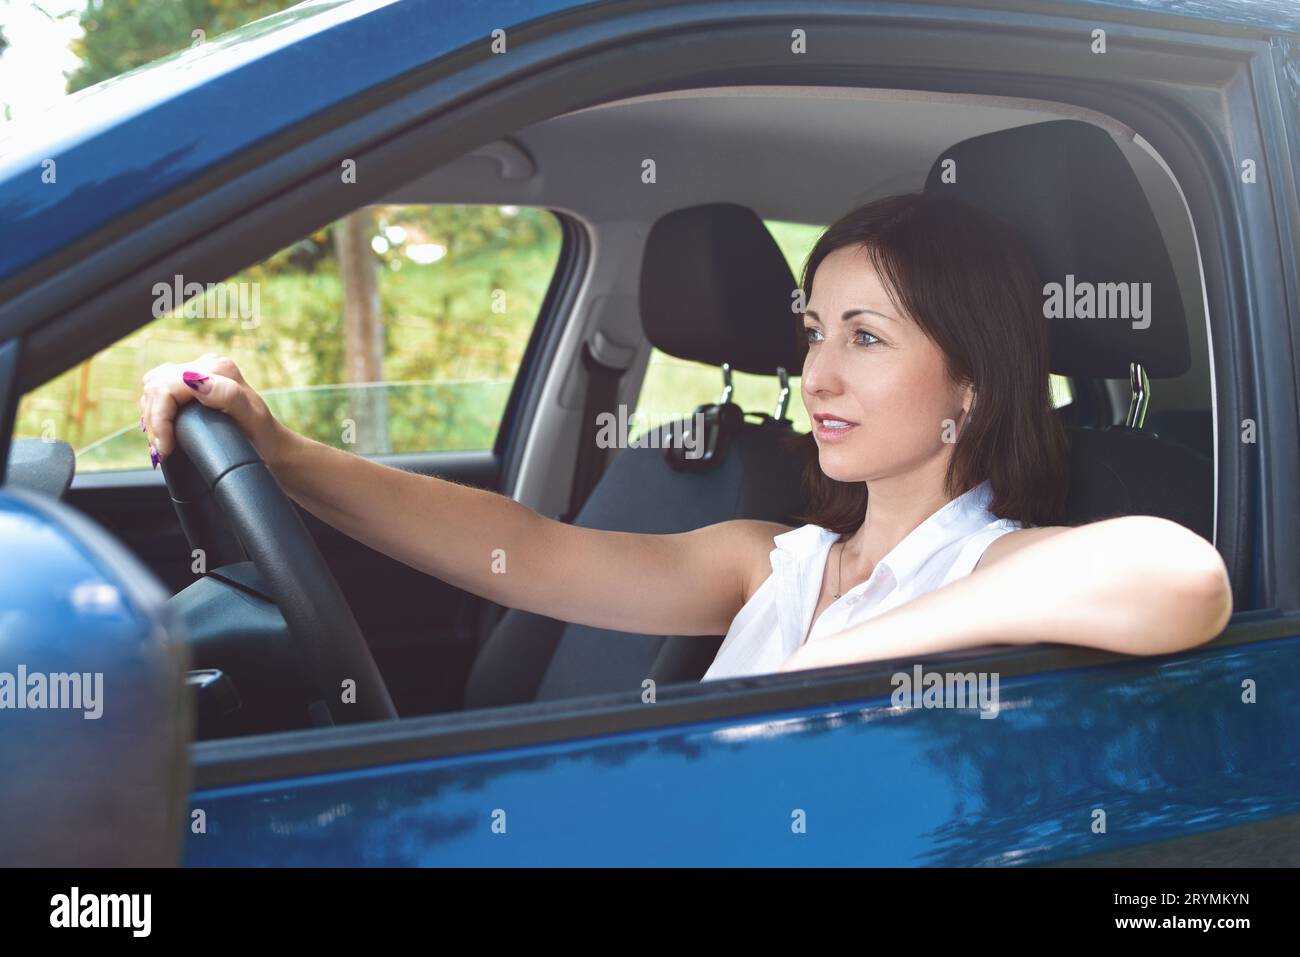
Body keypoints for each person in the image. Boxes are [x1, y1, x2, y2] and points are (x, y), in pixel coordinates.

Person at [139, 193, 1232, 681]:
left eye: (866, 337)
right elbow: (525, 550)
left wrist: (832, 657)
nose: (814, 374)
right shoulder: (769, 558)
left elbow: (1177, 575)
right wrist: (280, 453)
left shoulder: (992, 556)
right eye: (814, 333)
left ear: (975, 382)